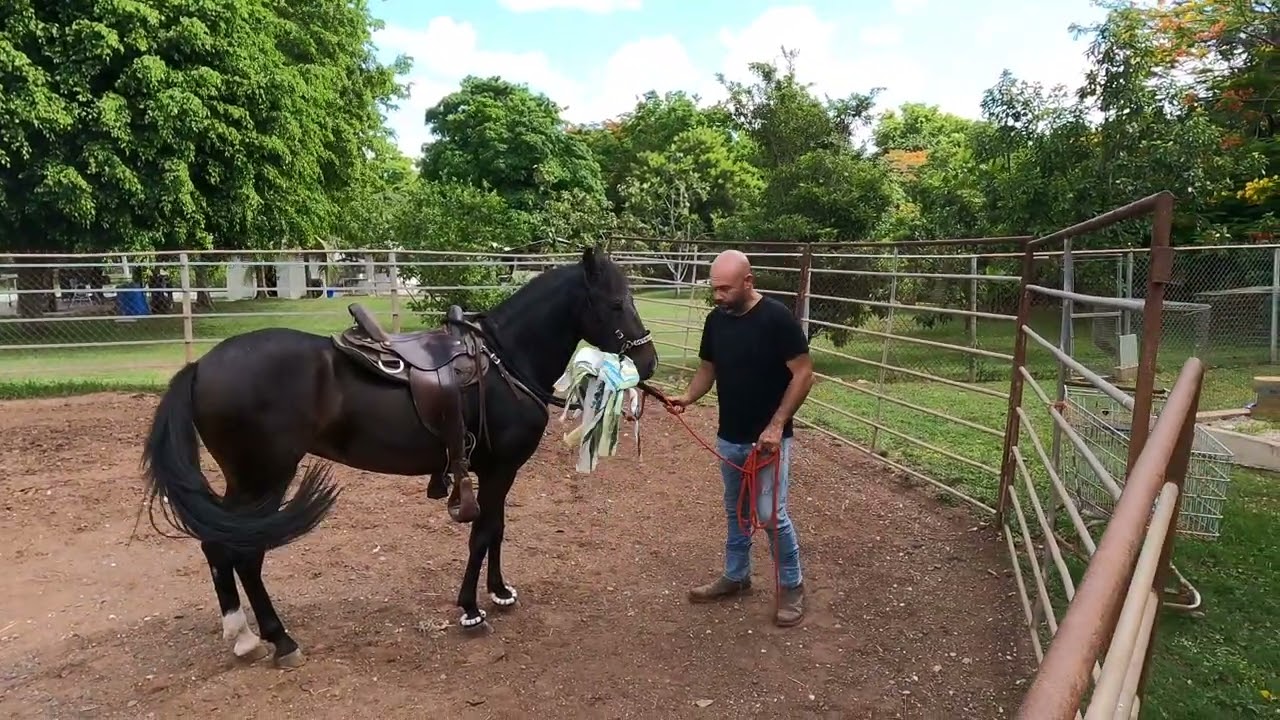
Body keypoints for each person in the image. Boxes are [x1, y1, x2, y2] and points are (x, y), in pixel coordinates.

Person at [667, 249, 815, 627]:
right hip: (730, 437)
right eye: (715, 288)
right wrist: (687, 396)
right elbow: (707, 368)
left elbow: (803, 374)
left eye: (725, 289)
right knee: (737, 511)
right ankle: (736, 576)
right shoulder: (717, 321)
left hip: (768, 442)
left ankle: (792, 587)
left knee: (770, 516)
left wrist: (776, 425)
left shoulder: (777, 319)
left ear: (748, 282)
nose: (718, 296)